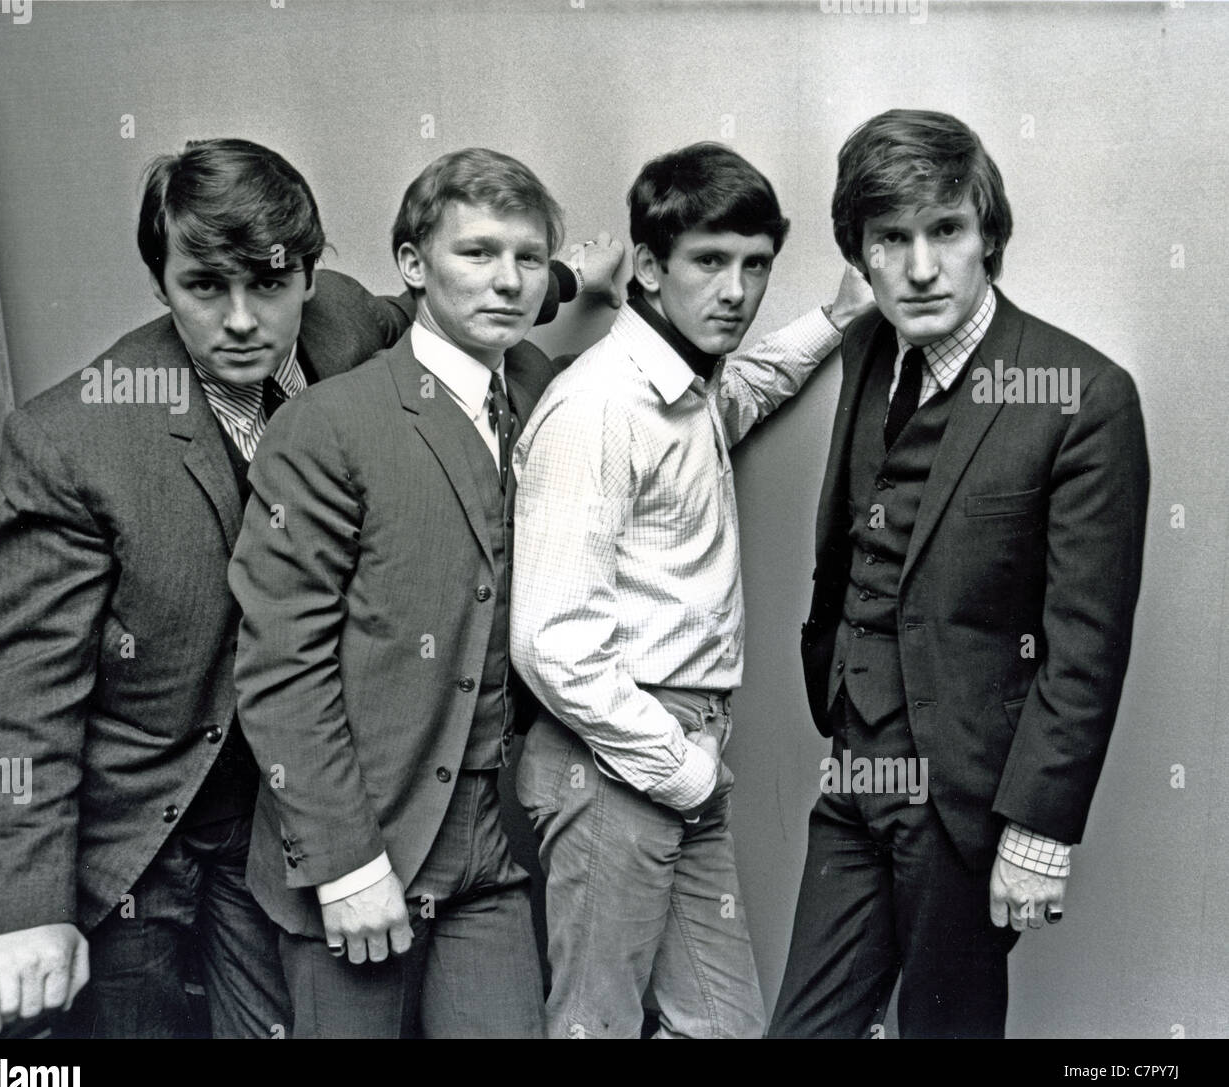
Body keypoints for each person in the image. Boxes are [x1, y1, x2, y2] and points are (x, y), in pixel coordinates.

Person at [0, 137, 618, 1038]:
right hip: (138, 827)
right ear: (161, 282)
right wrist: (18, 908)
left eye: (269, 285)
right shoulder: (72, 440)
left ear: (309, 275)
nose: (242, 320)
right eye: (204, 287)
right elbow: (21, 698)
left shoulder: (345, 326)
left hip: (281, 813)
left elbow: (448, 307)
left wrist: (571, 281)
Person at [768, 109, 1149, 1038]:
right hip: (860, 765)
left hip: (967, 796)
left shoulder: (1078, 394)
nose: (922, 266)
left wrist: (1039, 829)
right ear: (860, 253)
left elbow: (1085, 645)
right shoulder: (865, 350)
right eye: (890, 239)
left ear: (989, 237)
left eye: (947, 231)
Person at [509, 141, 874, 1039]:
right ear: (646, 266)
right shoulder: (598, 408)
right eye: (709, 262)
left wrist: (833, 318)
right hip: (616, 756)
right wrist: (684, 768)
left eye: (755, 266)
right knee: (593, 1026)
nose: (737, 292)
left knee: (722, 1027)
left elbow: (742, 389)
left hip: (680, 757)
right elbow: (551, 642)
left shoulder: (685, 388)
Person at [227, 147, 593, 1038]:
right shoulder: (327, 426)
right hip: (358, 845)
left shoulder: (548, 390)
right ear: (411, 264)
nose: (506, 280)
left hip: (489, 843)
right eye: (475, 254)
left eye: (528, 258)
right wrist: (346, 866)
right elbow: (281, 666)